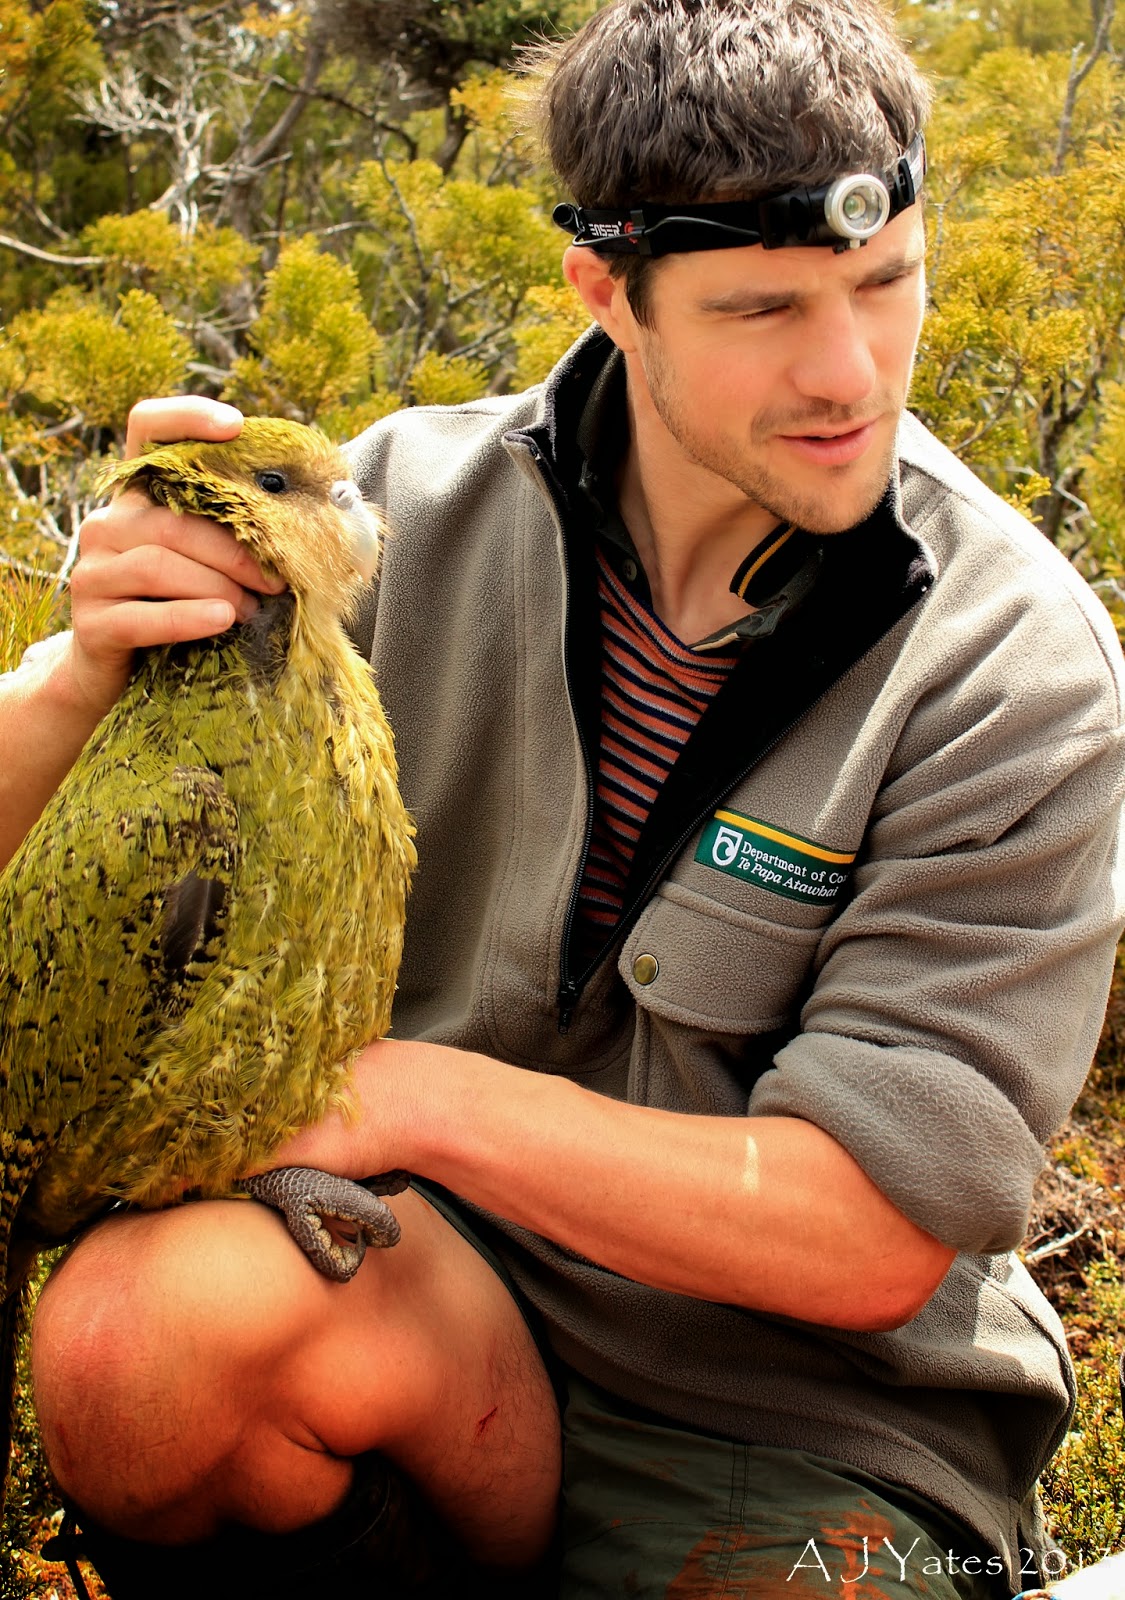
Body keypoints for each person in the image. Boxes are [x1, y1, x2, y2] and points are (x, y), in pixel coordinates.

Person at [4, 0, 1124, 1595]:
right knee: (129, 1345)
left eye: (887, 286)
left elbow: (867, 1234)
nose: (847, 372)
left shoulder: (1006, 663)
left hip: (789, 1409)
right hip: (419, 1288)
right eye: (763, 308)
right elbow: (47, 899)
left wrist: (401, 1097)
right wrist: (80, 675)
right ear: (607, 290)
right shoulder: (392, 518)